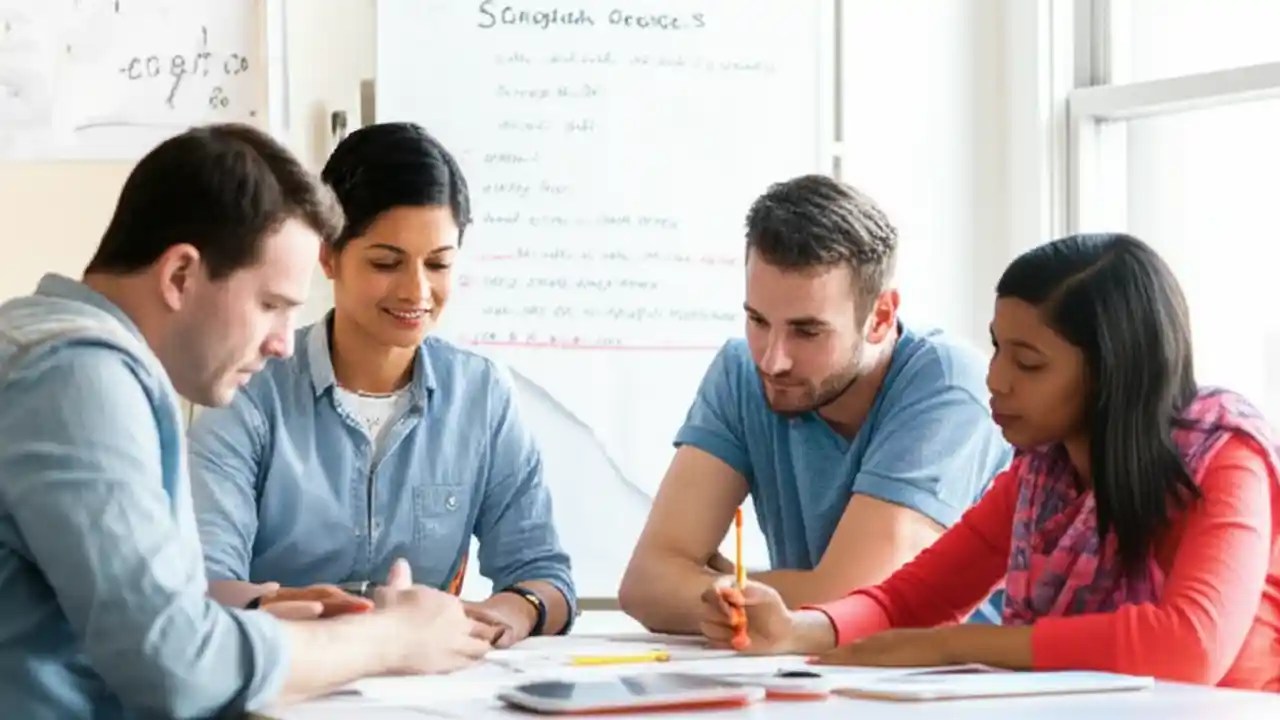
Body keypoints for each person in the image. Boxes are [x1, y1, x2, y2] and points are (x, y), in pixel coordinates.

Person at [0, 124, 494, 719]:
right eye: (271, 305)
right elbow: (174, 665)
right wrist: (389, 639)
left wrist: (273, 629)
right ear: (180, 276)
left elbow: (163, 627)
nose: (283, 344)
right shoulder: (76, 378)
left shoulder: (52, 348)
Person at [705, 233, 1280, 691]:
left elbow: (1190, 646)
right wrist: (795, 629)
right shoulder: (1041, 474)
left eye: (1028, 364)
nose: (995, 379)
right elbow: (911, 599)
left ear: (1111, 374)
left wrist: (951, 645)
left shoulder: (1227, 459)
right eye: (998, 348)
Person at [188, 121, 576, 647]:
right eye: (386, 263)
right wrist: (311, 613)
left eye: (438, 264)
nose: (417, 291)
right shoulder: (249, 388)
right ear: (328, 254)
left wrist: (504, 615)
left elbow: (545, 577)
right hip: (287, 668)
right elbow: (205, 585)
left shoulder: (481, 395)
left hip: (427, 678)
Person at [619, 174, 1012, 634]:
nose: (773, 360)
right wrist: (766, 595)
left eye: (807, 332)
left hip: (954, 671)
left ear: (880, 317)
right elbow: (645, 585)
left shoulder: (948, 385)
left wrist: (709, 586)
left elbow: (856, 600)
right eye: (758, 320)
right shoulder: (741, 371)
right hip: (805, 665)